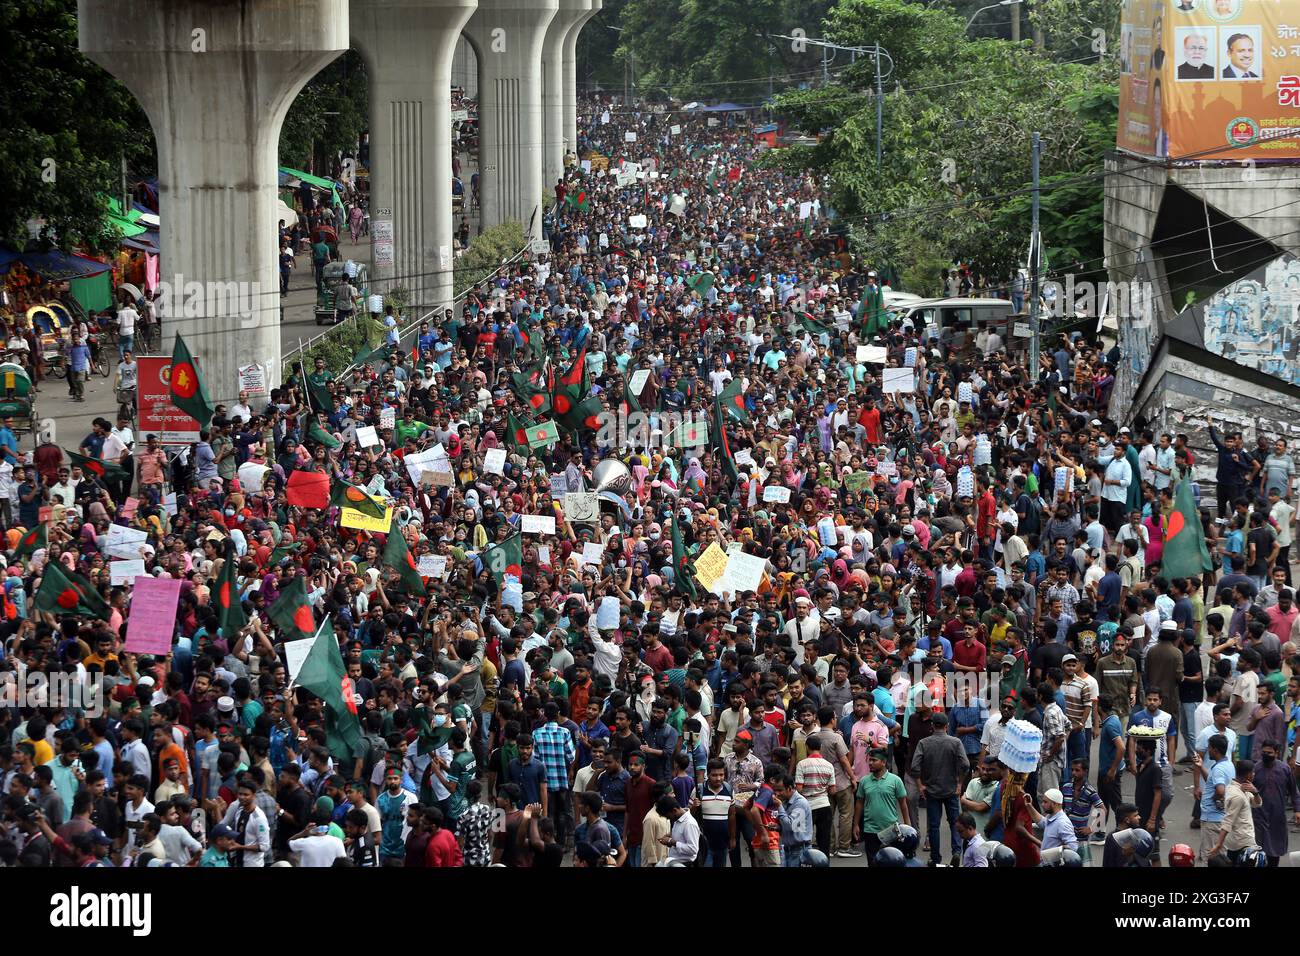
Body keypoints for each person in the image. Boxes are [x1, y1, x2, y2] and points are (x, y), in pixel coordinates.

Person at [854, 748, 909, 865]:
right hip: (870, 830)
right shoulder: (864, 781)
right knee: (873, 863)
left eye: (874, 760)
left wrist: (907, 826)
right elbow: (859, 804)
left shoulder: (895, 780)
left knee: (891, 862)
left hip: (891, 830)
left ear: (883, 762)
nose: (870, 763)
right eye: (869, 760)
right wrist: (856, 825)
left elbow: (903, 804)